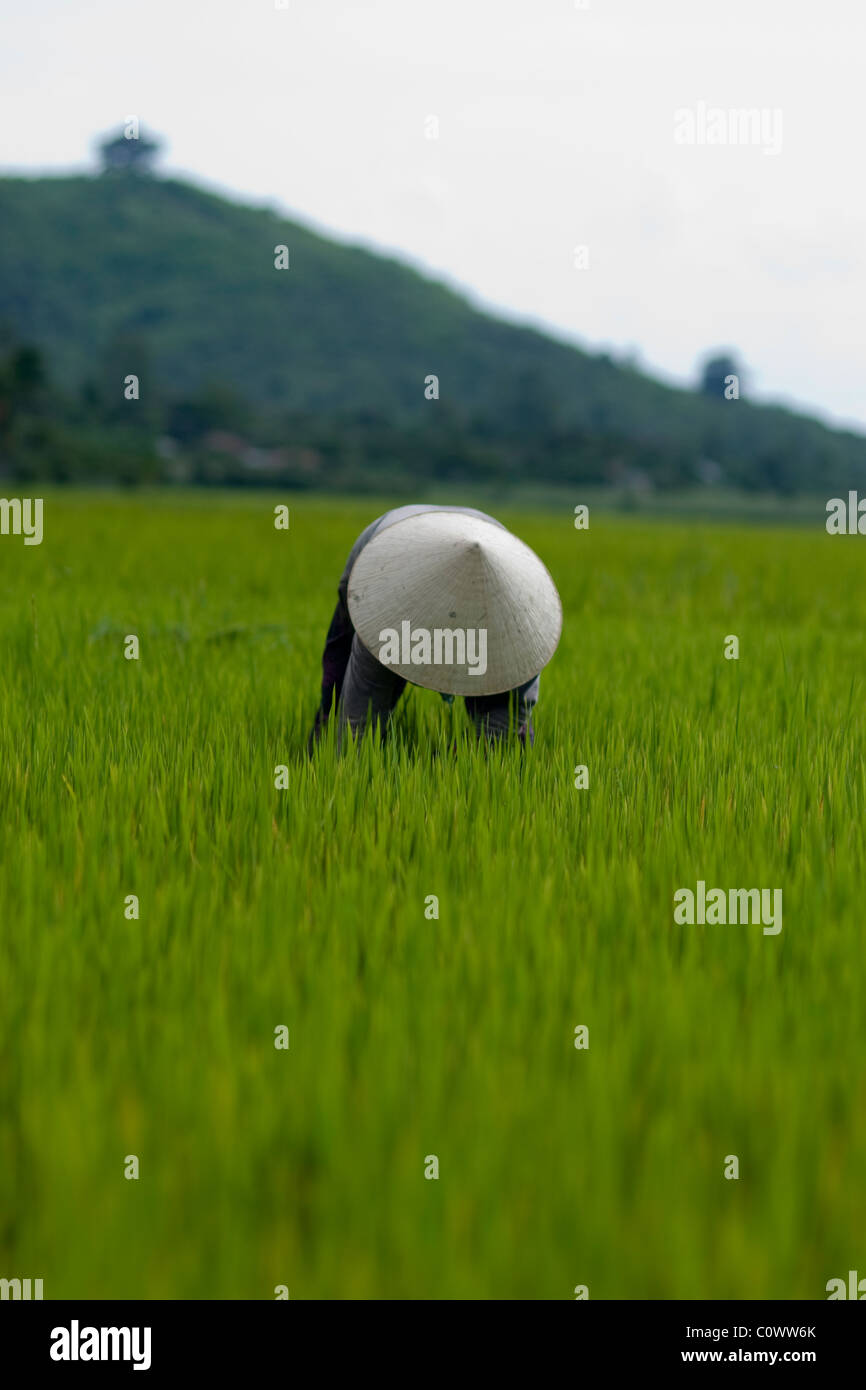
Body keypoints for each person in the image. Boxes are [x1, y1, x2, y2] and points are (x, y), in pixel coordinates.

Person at [308, 504, 562, 750]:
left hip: (487, 536)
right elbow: (358, 722)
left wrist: (481, 752)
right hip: (386, 543)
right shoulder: (382, 614)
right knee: (339, 688)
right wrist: (349, 764)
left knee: (504, 740)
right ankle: (320, 740)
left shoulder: (517, 632)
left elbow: (508, 714)